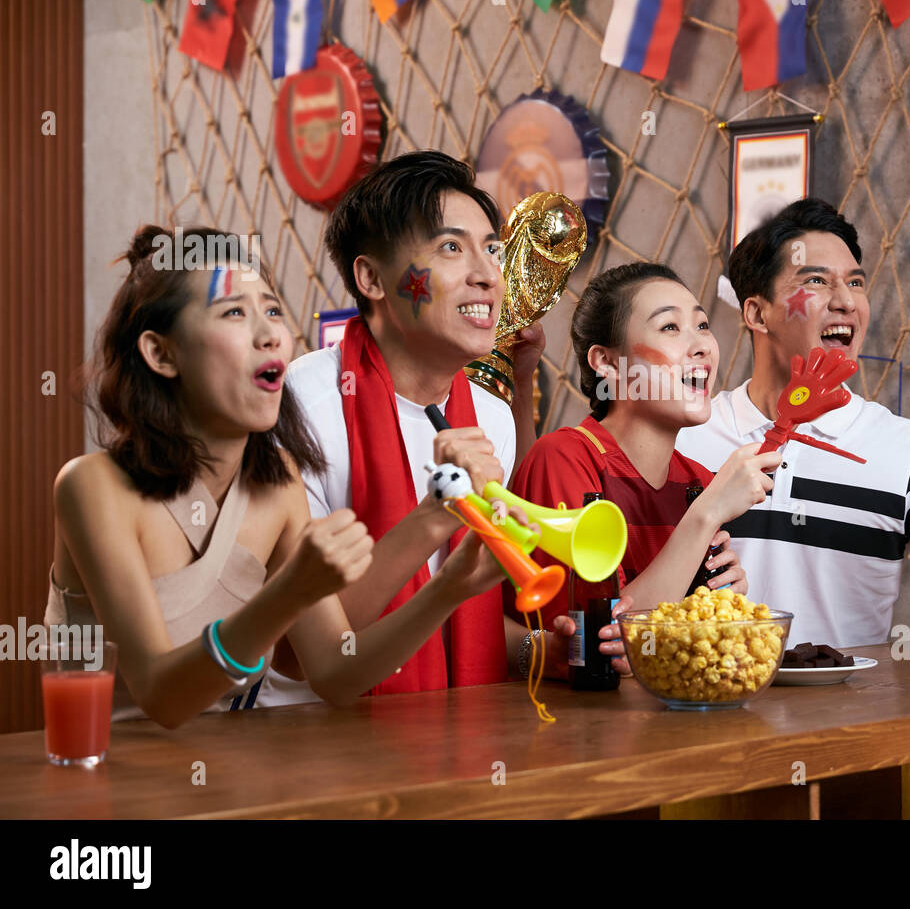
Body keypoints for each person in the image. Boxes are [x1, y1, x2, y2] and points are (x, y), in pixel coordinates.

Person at [47, 226, 514, 728]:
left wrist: (447, 589)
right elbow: (162, 698)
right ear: (161, 353)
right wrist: (288, 593)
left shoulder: (277, 484)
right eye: (233, 313)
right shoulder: (91, 487)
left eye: (271, 310)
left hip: (237, 789)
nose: (271, 333)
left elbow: (335, 672)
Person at [676, 199, 910, 648]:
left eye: (855, 283)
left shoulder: (908, 448)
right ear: (757, 314)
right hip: (702, 709)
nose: (845, 301)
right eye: (815, 280)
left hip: (849, 715)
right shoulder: (683, 438)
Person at [260, 151, 547, 704]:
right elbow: (298, 653)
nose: (488, 275)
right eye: (450, 247)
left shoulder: (490, 416)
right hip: (306, 740)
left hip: (455, 733)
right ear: (371, 277)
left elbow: (455, 621)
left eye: (492, 249)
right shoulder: (297, 406)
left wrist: (546, 651)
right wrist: (433, 520)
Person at [508, 262, 782, 677]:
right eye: (670, 327)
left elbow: (680, 651)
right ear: (607, 362)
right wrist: (705, 515)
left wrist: (718, 603)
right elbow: (601, 648)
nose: (703, 346)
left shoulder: (697, 480)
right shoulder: (564, 459)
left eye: (703, 325)